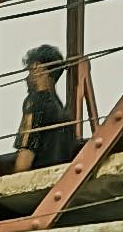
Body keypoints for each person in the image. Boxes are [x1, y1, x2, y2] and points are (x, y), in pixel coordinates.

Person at [13, 44, 81, 180]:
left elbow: (25, 157)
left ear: (38, 68)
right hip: (60, 180)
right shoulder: (61, 110)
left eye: (29, 71)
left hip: (37, 181)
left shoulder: (35, 101)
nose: (27, 78)